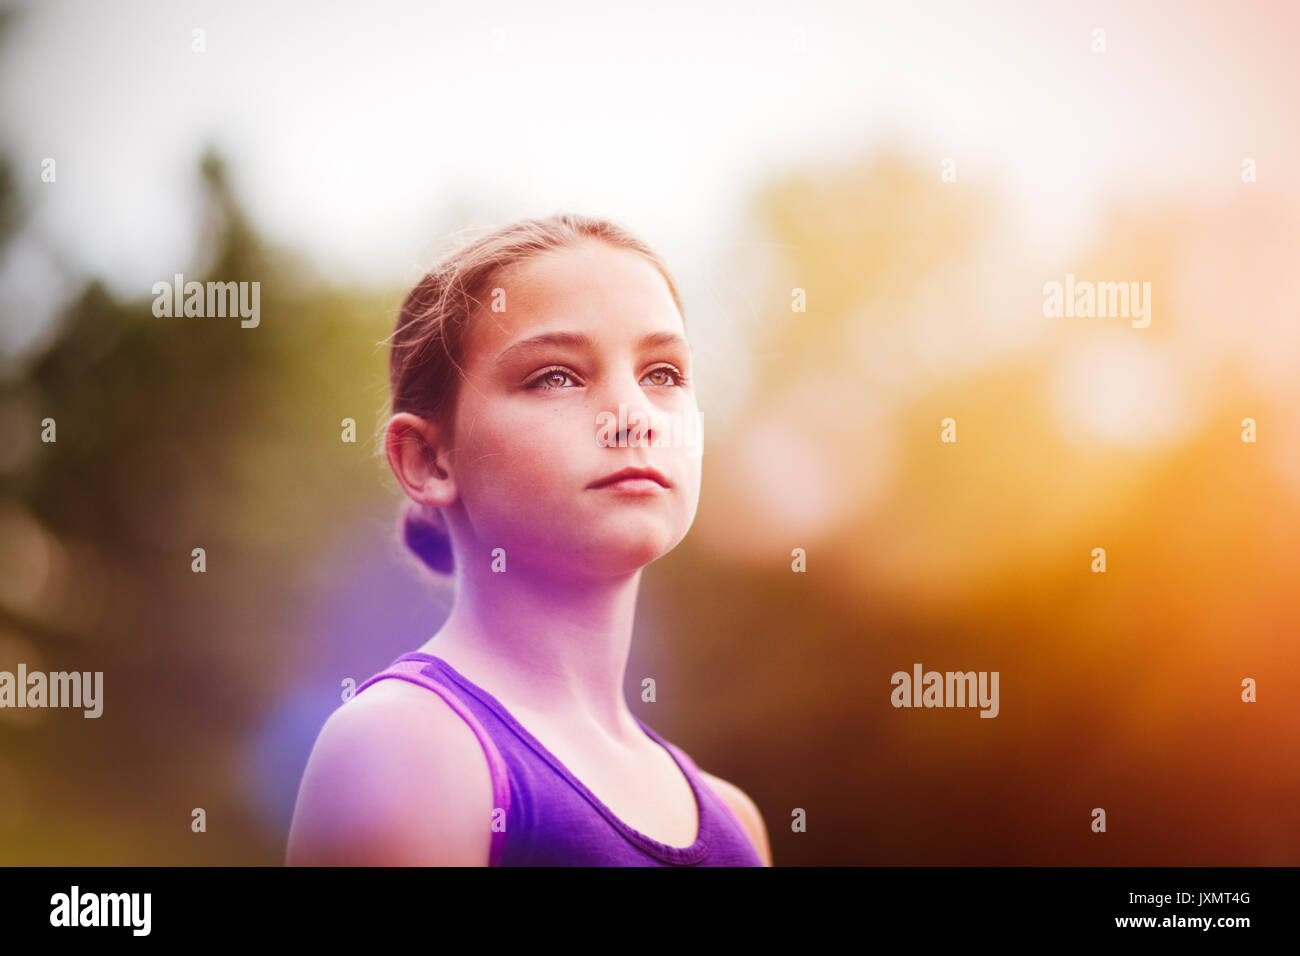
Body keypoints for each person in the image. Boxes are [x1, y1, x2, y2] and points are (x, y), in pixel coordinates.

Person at [286, 213, 770, 866]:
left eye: (662, 374)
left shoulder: (736, 819)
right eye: (556, 376)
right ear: (430, 460)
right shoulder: (402, 750)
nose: (634, 417)